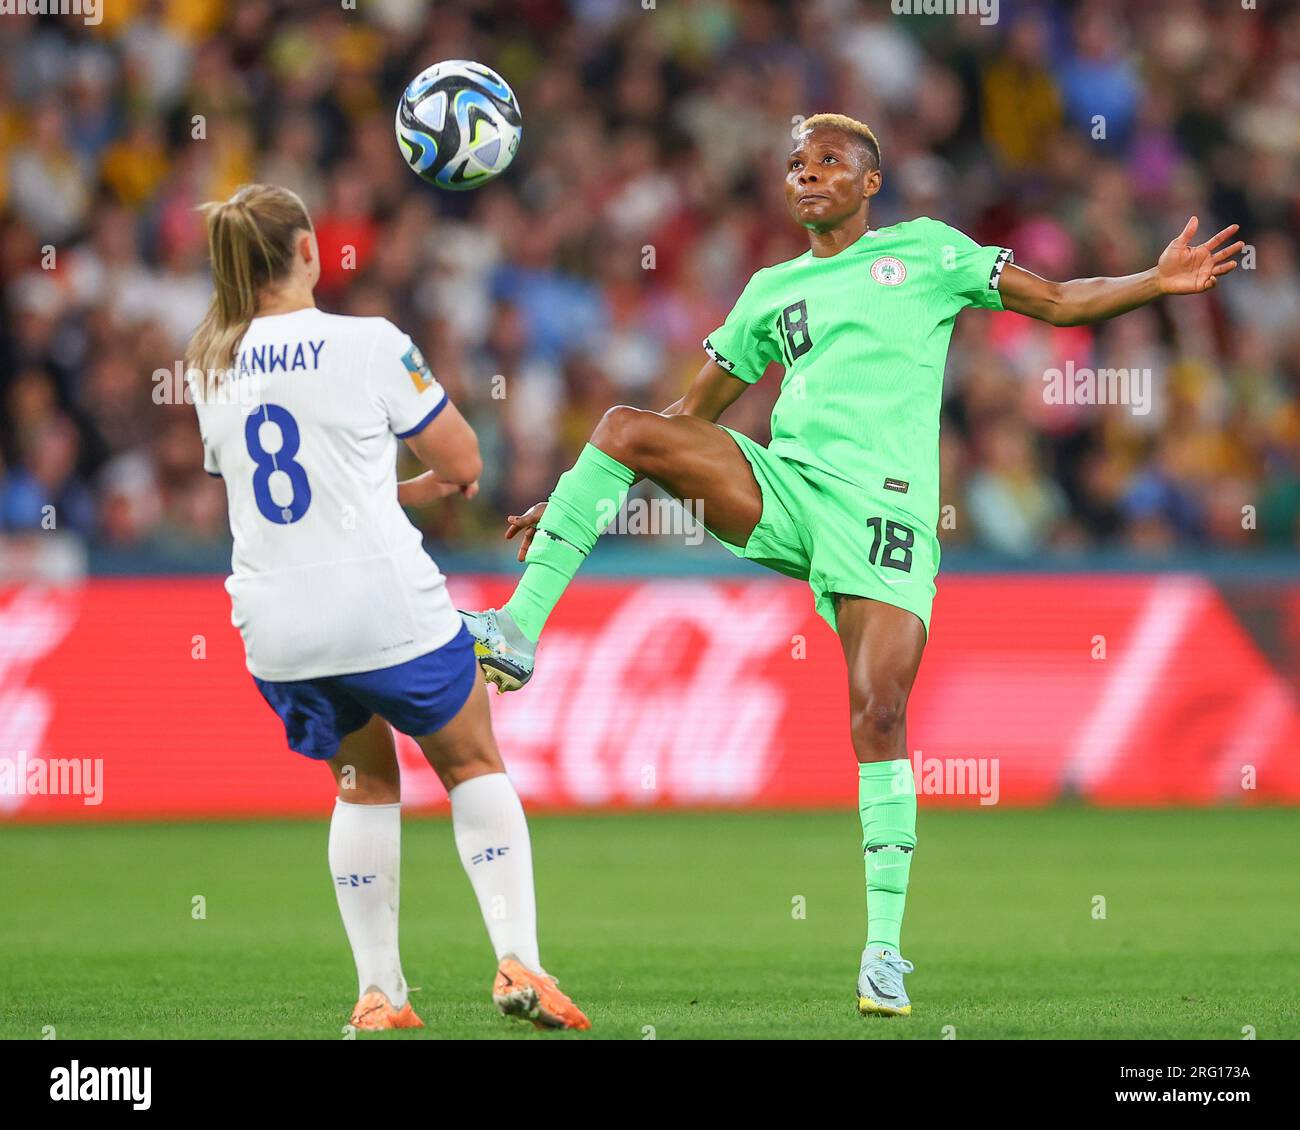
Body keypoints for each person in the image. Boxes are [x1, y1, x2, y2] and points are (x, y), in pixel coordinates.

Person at [462, 114, 1243, 1017]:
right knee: (623, 427)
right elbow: (688, 416)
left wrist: (1154, 280)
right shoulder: (772, 290)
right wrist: (578, 492)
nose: (807, 174)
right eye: (796, 163)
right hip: (788, 489)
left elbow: (1060, 301)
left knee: (878, 714)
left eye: (829, 162)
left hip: (885, 514)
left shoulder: (928, 252)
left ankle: (883, 953)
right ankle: (518, 630)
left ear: (871, 182)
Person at [187, 183, 589, 1032]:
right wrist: (440, 479)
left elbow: (289, 493)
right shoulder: (368, 341)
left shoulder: (209, 365)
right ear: (308, 252)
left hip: (277, 627)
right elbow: (465, 458)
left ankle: (381, 995)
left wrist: (391, 489)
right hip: (380, 604)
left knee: (362, 783)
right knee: (471, 761)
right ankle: (519, 960)